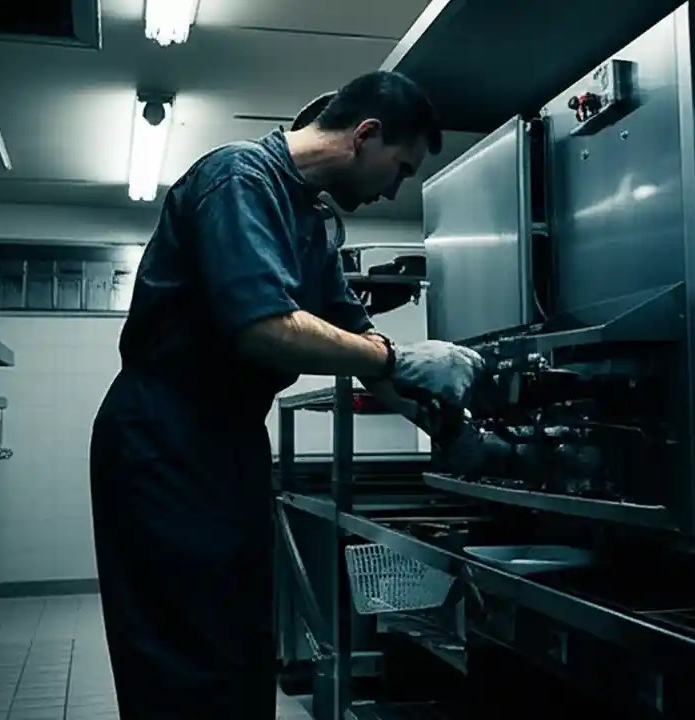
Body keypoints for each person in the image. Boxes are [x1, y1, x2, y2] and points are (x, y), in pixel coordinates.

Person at [89, 70, 486, 718]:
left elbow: (360, 344)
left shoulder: (312, 223)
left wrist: (450, 425)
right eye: (400, 169)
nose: (394, 189)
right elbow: (263, 330)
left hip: (231, 441)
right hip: (164, 438)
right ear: (366, 134)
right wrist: (400, 356)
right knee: (184, 654)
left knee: (242, 644)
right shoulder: (239, 180)